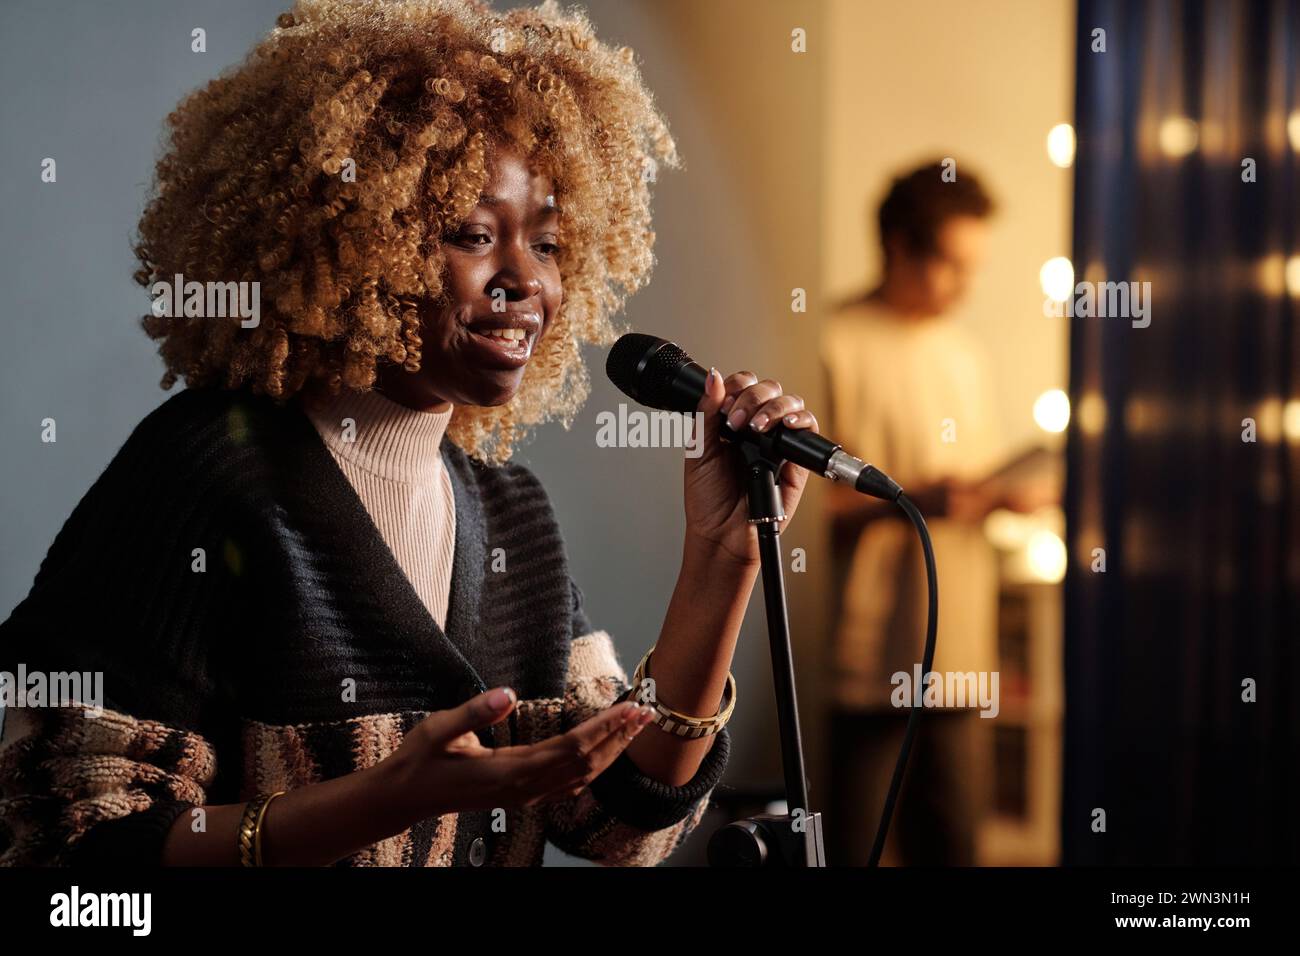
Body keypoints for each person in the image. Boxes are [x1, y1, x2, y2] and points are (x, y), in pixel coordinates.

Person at [0, 0, 824, 867]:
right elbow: (71, 852)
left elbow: (622, 821)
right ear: (352, 237)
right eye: (473, 235)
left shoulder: (512, 519)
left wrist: (723, 560)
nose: (524, 282)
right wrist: (387, 798)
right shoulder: (207, 473)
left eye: (545, 242)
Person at [820, 161, 1050, 866]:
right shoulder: (832, 342)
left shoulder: (963, 353)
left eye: (972, 267)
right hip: (866, 662)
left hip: (957, 657)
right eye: (949, 263)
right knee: (853, 849)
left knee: (954, 848)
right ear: (896, 245)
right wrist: (907, 500)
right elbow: (796, 510)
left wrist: (1002, 497)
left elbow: (973, 485)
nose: (963, 286)